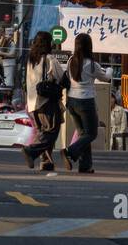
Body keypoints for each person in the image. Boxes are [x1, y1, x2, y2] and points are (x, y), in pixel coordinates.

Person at [61, 33, 111, 174]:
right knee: (91, 133)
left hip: (71, 101)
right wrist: (110, 70)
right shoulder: (92, 65)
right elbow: (106, 78)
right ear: (89, 46)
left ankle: (85, 165)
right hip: (86, 101)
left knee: (83, 134)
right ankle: (70, 152)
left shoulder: (71, 61)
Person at [22, 31, 67, 173]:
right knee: (52, 130)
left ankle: (46, 162)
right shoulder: (49, 59)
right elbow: (61, 77)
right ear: (48, 44)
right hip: (45, 101)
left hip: (31, 102)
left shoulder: (30, 59)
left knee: (42, 132)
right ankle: (31, 150)